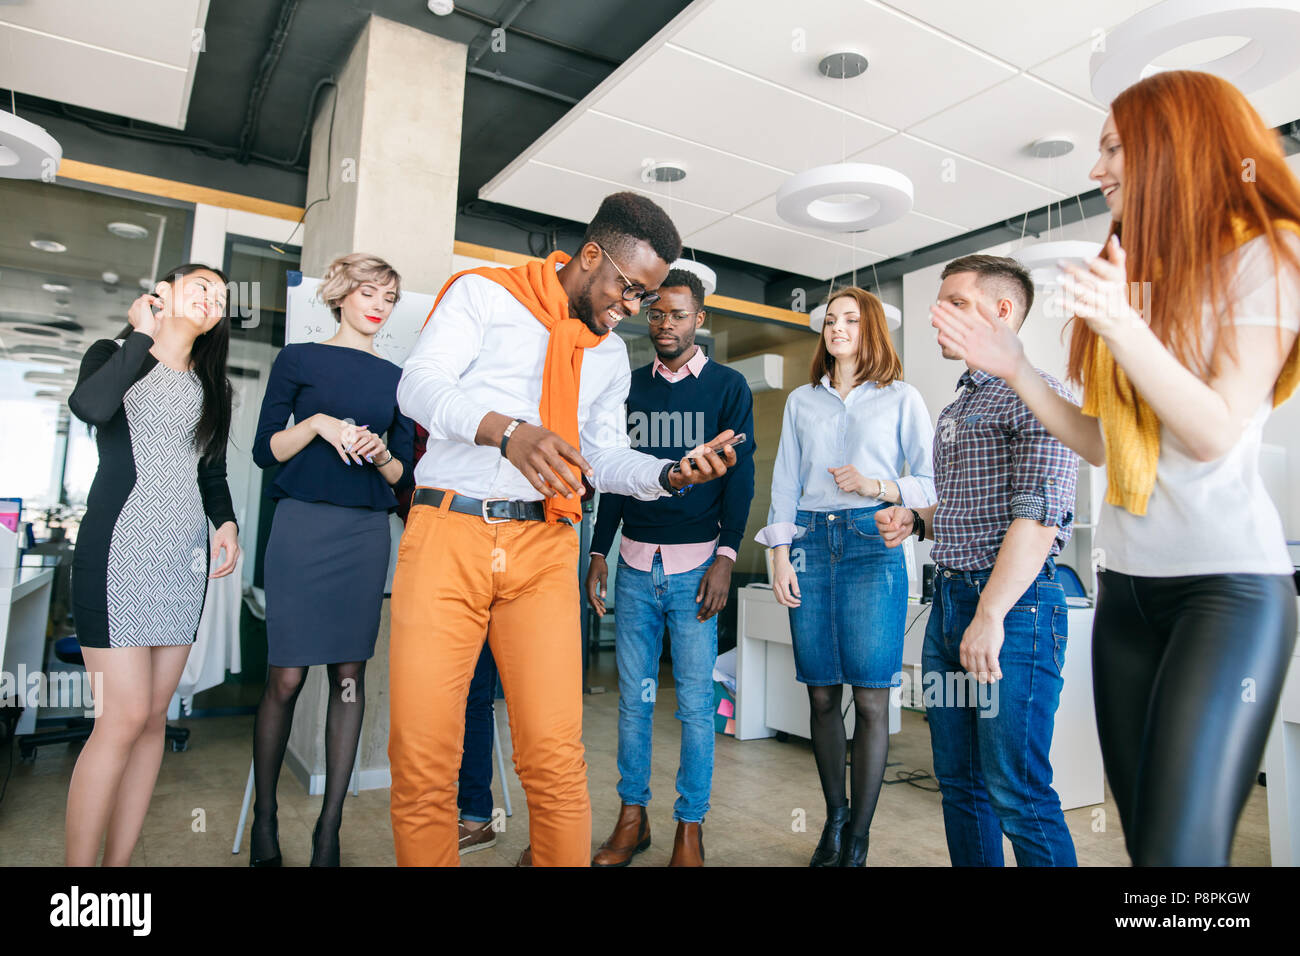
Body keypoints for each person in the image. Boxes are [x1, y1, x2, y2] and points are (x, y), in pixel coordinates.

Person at [929, 70, 1300, 865]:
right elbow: (1102, 442)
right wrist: (1017, 367)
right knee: (1147, 853)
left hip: (1226, 592)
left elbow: (1211, 433)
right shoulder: (1138, 276)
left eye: (1111, 148)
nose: (1097, 170)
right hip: (1128, 592)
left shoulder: (1269, 257)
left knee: (1180, 857)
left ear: (1174, 144)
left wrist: (1124, 325)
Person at [389, 191, 739, 867]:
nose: (633, 308)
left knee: (554, 755)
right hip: (449, 532)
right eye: (629, 288)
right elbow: (419, 384)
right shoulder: (484, 297)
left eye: (647, 295)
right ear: (589, 257)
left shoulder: (605, 357)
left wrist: (669, 473)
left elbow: (599, 455)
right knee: (424, 755)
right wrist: (508, 432)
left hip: (546, 547)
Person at [878, 255, 1080, 867]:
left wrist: (989, 614)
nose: (940, 315)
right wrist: (918, 519)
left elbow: (1039, 515)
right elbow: (969, 514)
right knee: (961, 784)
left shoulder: (1040, 396)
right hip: (949, 605)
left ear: (1003, 311)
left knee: (1016, 790)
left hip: (1012, 613)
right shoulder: (958, 408)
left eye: (956, 303)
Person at [66, 264, 240, 866]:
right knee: (122, 718)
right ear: (162, 292)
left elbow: (210, 472)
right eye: (201, 286)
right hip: (118, 550)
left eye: (220, 296)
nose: (213, 299)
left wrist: (227, 522)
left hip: (182, 560)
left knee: (152, 721)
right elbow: (89, 408)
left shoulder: (211, 384)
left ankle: (117, 873)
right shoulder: (115, 353)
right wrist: (141, 333)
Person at [758, 287, 935, 867]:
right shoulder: (801, 402)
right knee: (820, 691)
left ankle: (859, 835)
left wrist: (878, 487)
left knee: (873, 696)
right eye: (830, 320)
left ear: (871, 329)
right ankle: (833, 819)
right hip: (809, 540)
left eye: (850, 320)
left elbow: (933, 484)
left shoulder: (902, 398)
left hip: (870, 544)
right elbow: (785, 481)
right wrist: (780, 554)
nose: (837, 328)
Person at [585, 268, 756, 867]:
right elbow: (612, 474)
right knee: (632, 702)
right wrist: (599, 550)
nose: (665, 324)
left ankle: (690, 826)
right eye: (656, 313)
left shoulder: (729, 387)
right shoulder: (628, 387)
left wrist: (727, 557)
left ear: (698, 321)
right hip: (633, 565)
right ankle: (633, 818)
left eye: (678, 315)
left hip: (695, 570)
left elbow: (741, 479)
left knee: (693, 707)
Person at [249, 253, 414, 867]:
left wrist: (378, 454)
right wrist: (317, 423)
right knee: (286, 678)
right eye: (370, 291)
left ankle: (328, 833)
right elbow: (268, 449)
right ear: (342, 294)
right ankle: (266, 825)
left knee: (348, 679)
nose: (379, 304)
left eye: (390, 297)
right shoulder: (298, 359)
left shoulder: (400, 378)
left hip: (364, 534)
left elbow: (405, 475)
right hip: (300, 528)